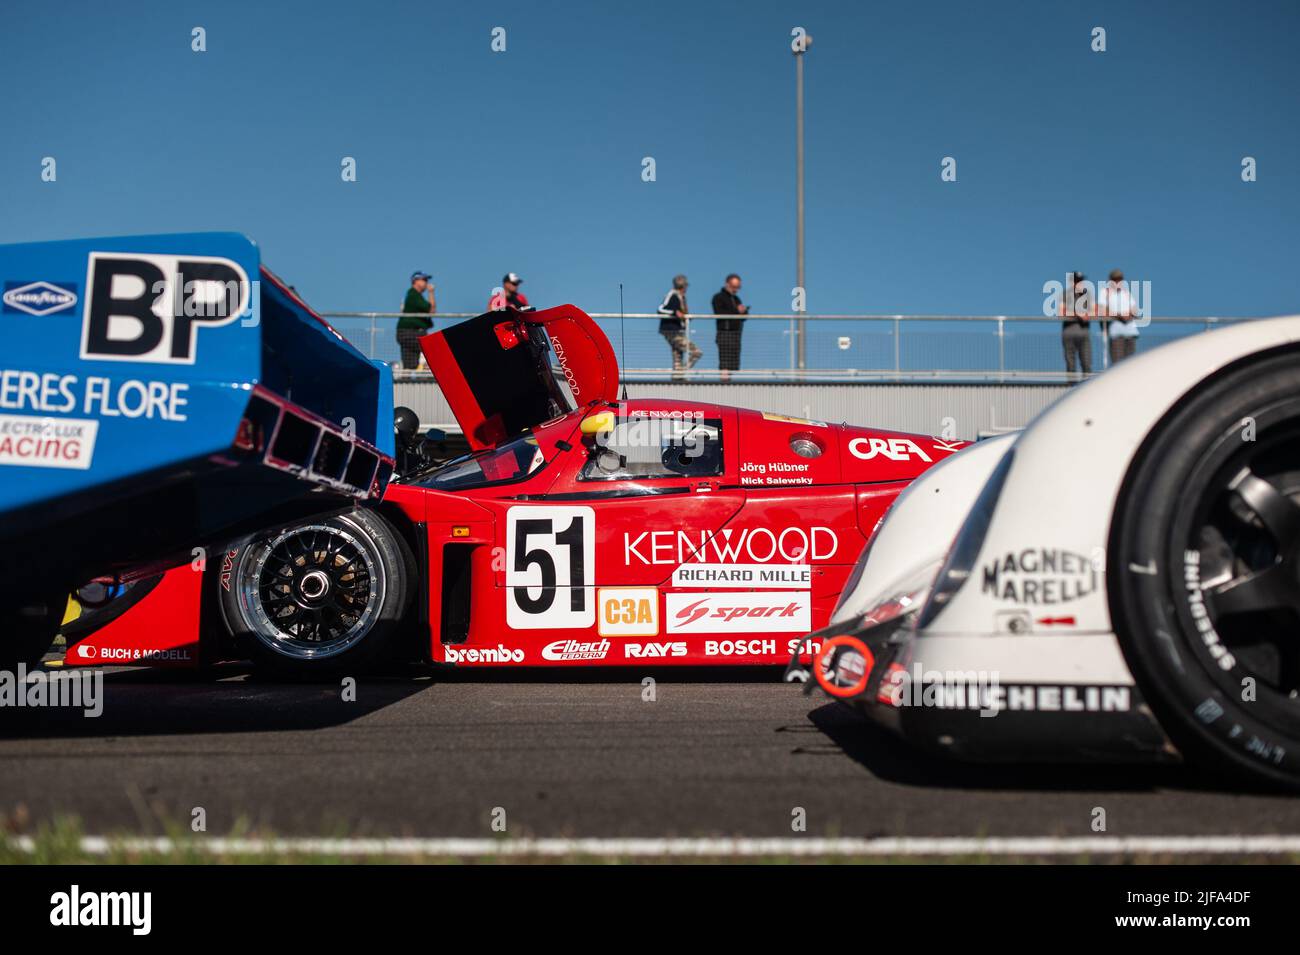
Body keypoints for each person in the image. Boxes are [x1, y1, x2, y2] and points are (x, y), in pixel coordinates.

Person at [658, 274, 701, 378]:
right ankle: (681, 373)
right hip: (671, 331)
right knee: (696, 352)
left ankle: (677, 378)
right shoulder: (672, 294)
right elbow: (660, 309)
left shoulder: (682, 297)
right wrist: (675, 313)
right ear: (683, 286)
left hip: (678, 330)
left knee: (677, 356)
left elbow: (681, 313)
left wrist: (686, 318)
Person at [711, 273, 748, 376]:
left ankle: (729, 384)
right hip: (725, 334)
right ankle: (724, 384)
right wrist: (737, 311)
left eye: (738, 287)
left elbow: (743, 317)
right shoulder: (718, 297)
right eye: (734, 287)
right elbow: (719, 313)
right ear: (727, 284)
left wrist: (744, 311)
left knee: (734, 364)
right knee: (725, 363)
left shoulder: (737, 299)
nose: (736, 289)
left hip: (736, 335)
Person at [397, 271, 435, 370]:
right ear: (416, 281)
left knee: (410, 364)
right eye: (424, 280)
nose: (426, 283)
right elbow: (432, 310)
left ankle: (408, 377)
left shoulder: (413, 295)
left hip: (405, 333)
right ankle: (431, 370)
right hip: (410, 333)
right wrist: (431, 292)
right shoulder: (414, 294)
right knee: (432, 348)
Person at [1101, 268, 1139, 365]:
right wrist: (1119, 315)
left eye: (1120, 279)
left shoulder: (1127, 293)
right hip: (1116, 334)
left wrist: (1128, 315)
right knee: (1117, 365)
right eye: (1115, 279)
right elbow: (1103, 311)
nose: (1118, 282)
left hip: (1130, 333)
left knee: (1131, 365)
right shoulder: (1105, 293)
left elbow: (1135, 310)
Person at [1059, 270, 1092, 378]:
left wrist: (1087, 315)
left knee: (1087, 364)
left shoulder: (1087, 295)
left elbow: (1093, 312)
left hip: (1084, 333)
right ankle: (1071, 387)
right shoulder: (1064, 294)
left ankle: (1088, 390)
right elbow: (1061, 313)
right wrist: (1078, 314)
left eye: (1081, 281)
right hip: (1069, 333)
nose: (1079, 283)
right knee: (1071, 365)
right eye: (1077, 281)